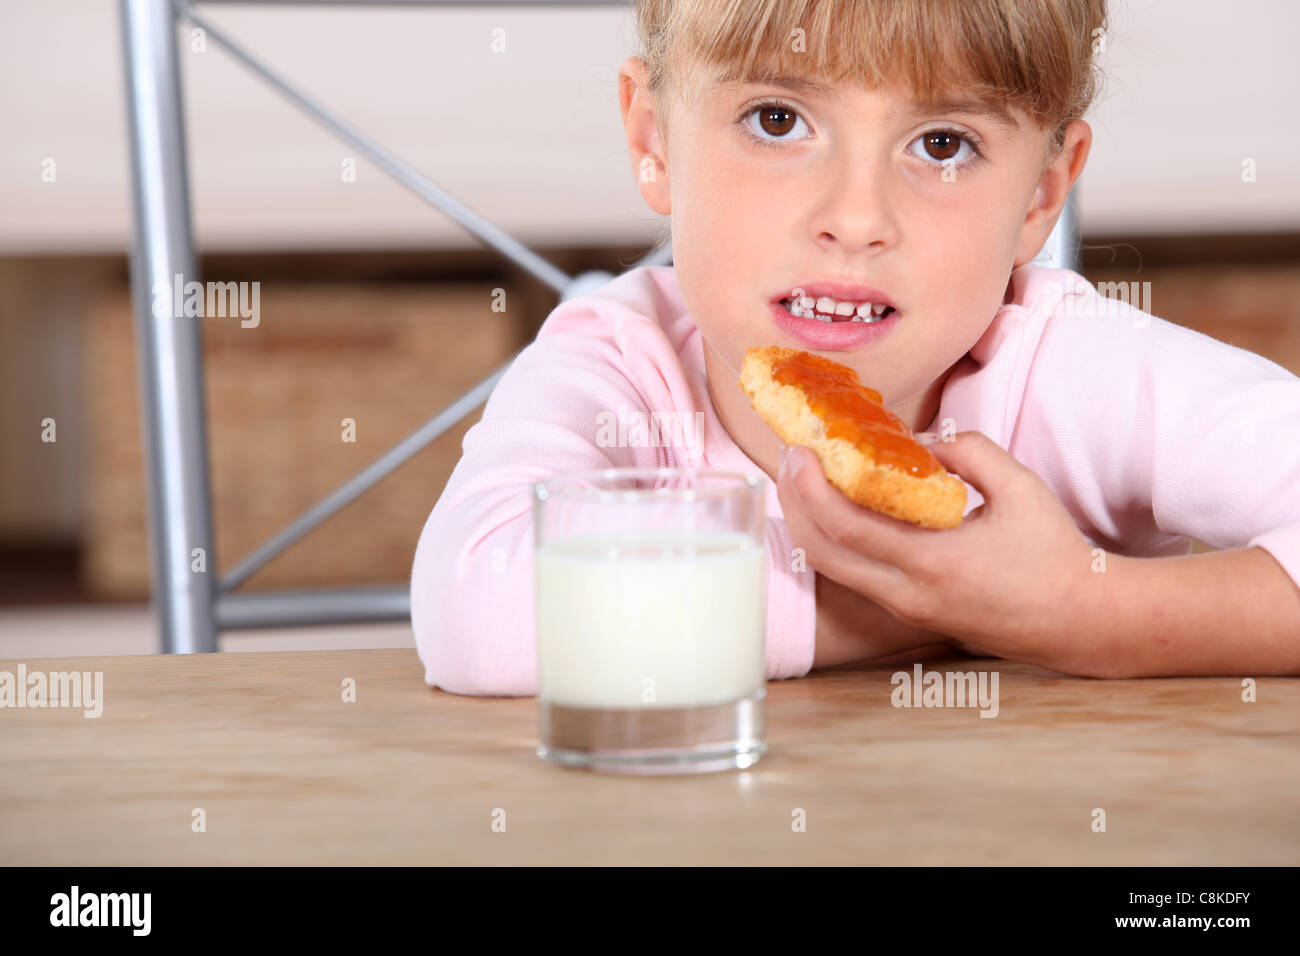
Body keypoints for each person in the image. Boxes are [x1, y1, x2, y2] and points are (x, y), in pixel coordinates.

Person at [411, 0, 1300, 695]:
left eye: (942, 143)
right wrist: (938, 609)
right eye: (775, 120)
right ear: (653, 140)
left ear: (1040, 195)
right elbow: (475, 607)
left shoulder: (1076, 369)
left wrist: (1078, 608)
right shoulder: (622, 365)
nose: (856, 218)